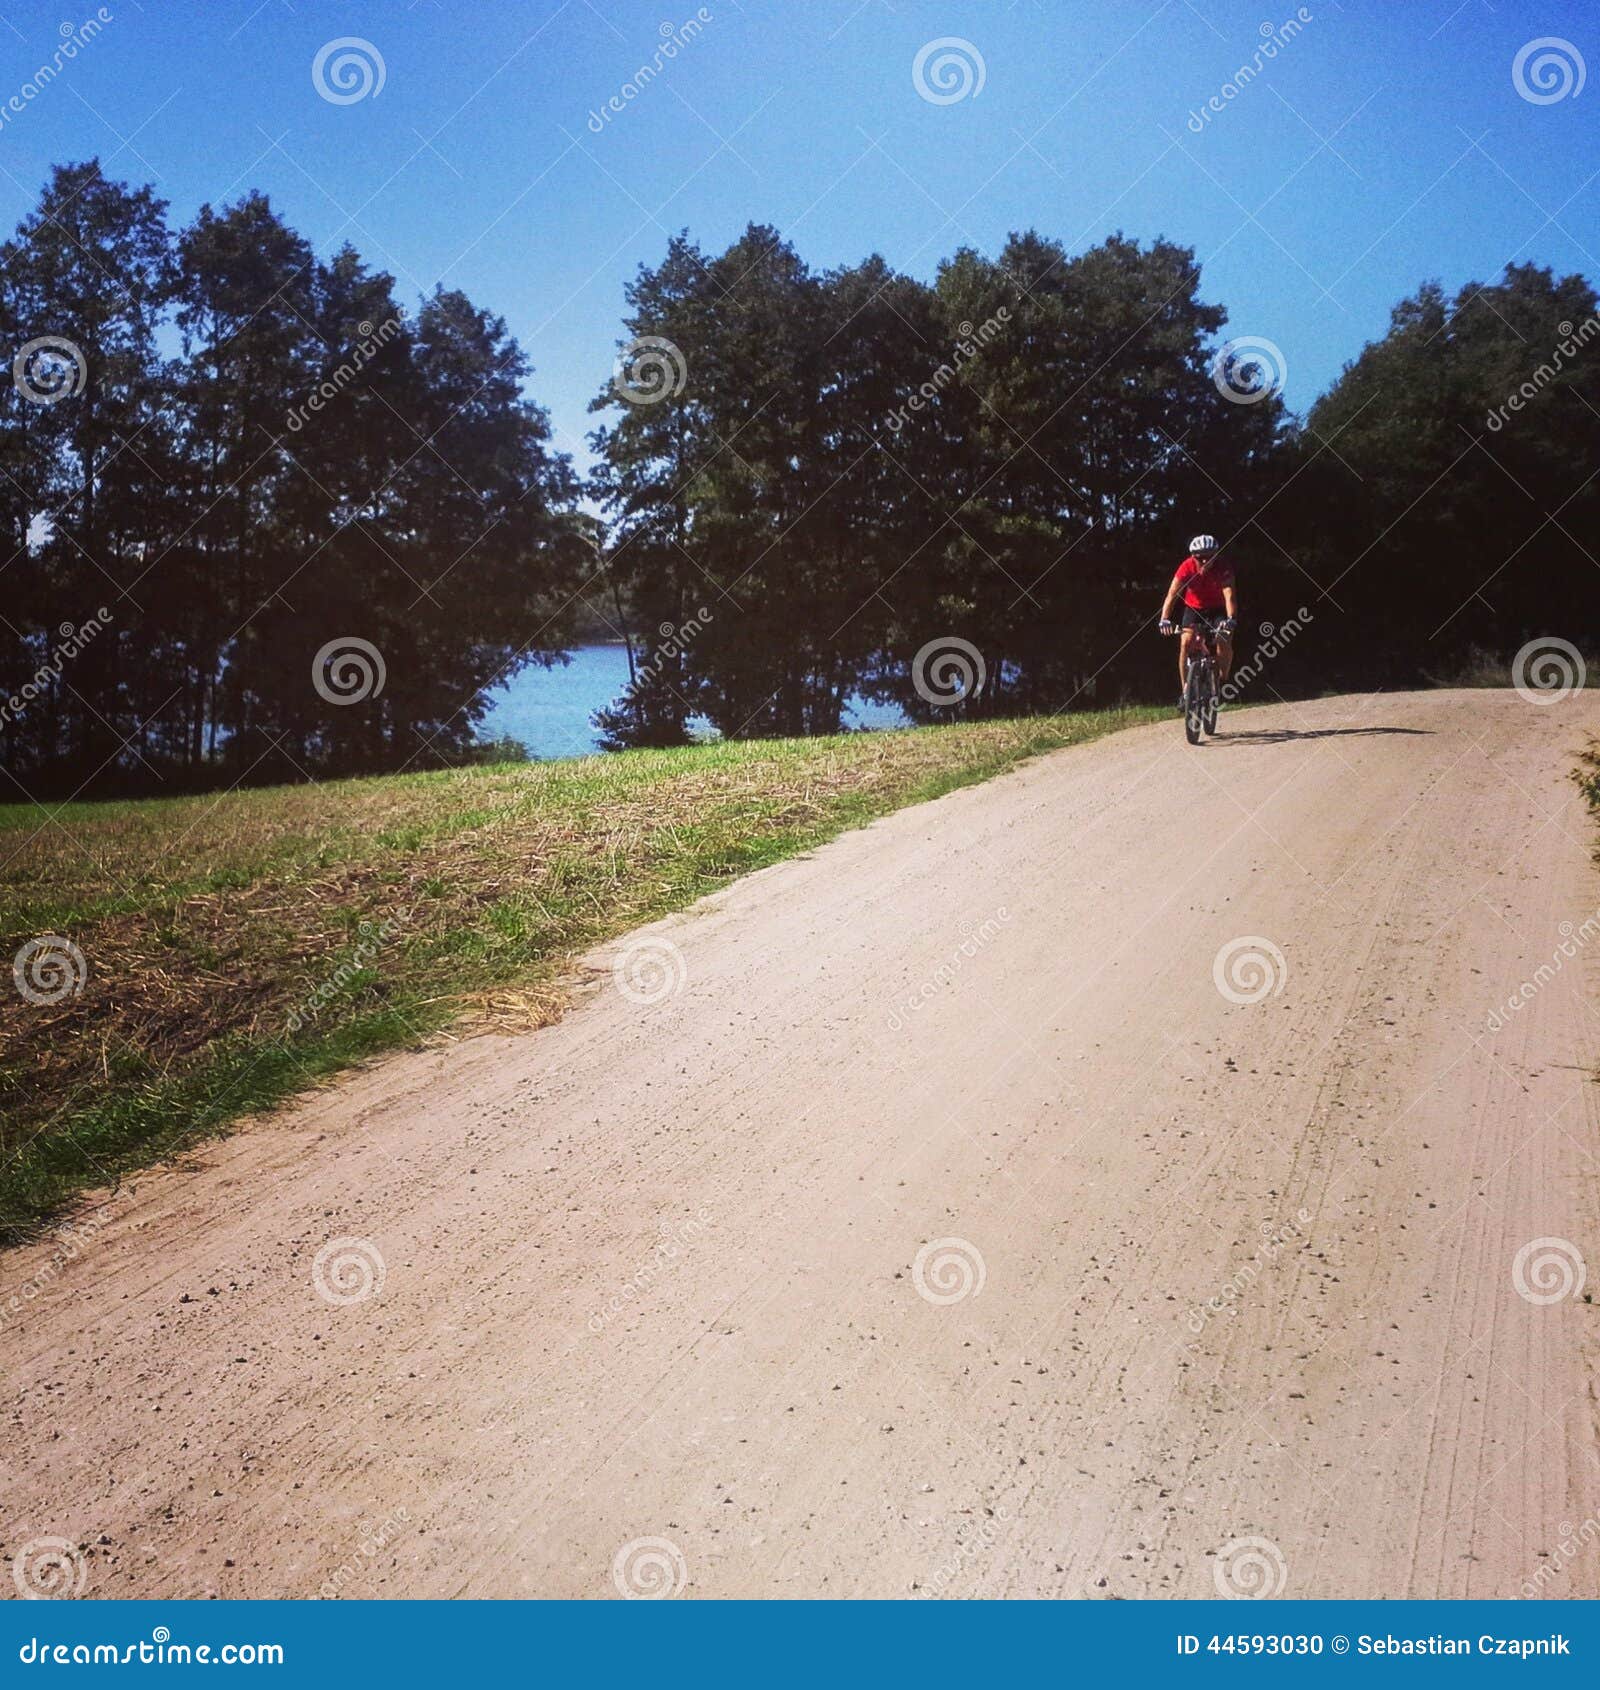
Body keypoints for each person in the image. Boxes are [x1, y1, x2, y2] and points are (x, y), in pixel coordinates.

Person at [1158, 534, 1236, 707]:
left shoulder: (1223, 567)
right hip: (1193, 609)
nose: (1205, 562)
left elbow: (1229, 595)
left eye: (1209, 558)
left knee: (1223, 639)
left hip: (1217, 609)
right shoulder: (1186, 567)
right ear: (1193, 557)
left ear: (1216, 556)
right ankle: (1185, 692)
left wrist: (1230, 618)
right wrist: (1164, 619)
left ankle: (1223, 679)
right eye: (1200, 558)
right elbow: (1172, 594)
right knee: (1185, 642)